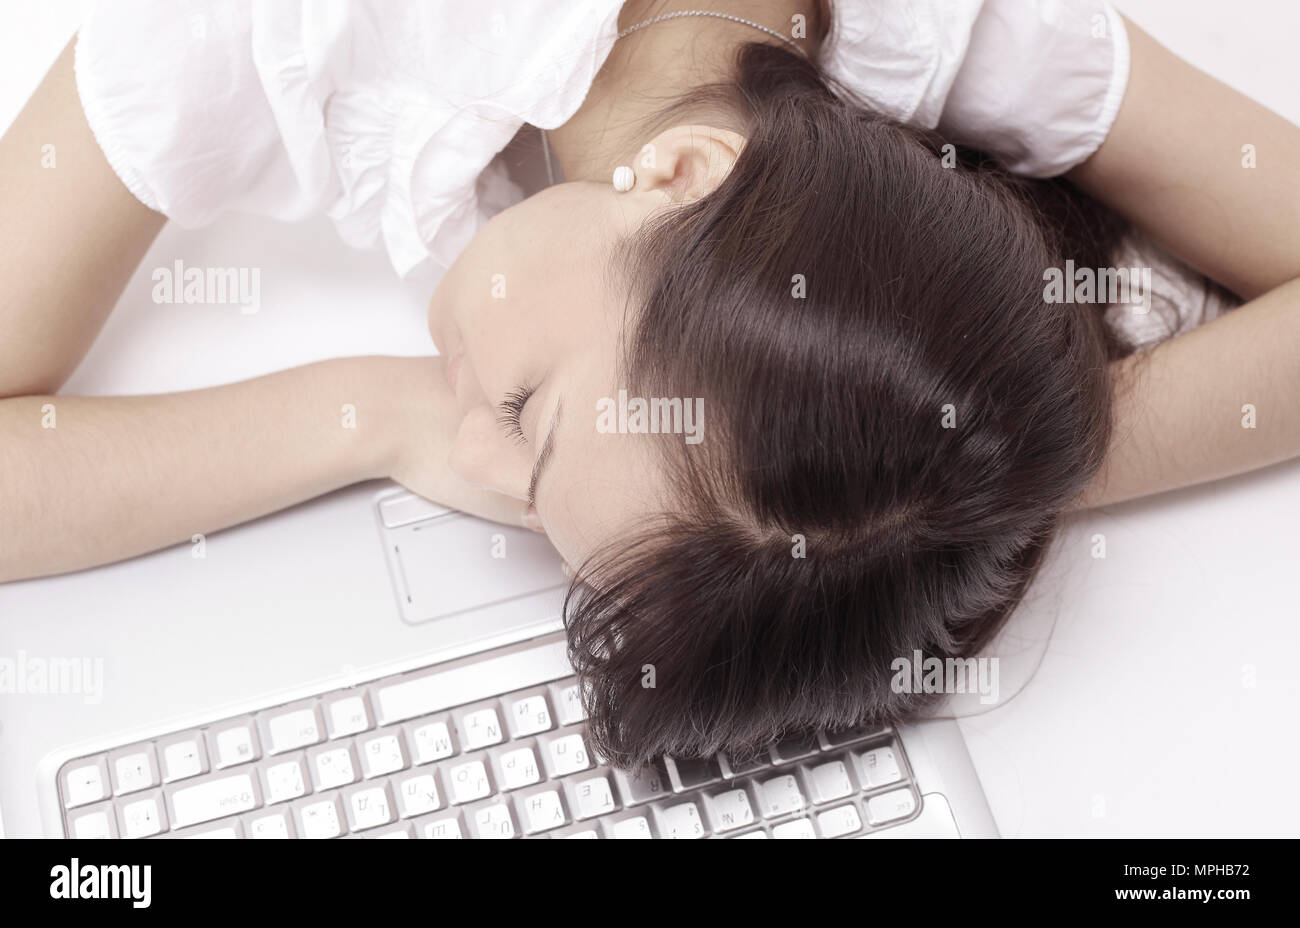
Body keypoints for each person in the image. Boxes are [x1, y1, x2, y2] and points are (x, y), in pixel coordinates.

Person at [3, 1, 1298, 766]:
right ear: (679, 174)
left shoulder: (955, 35)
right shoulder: (269, 24)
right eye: (526, 419)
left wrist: (979, 459)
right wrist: (374, 413)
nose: (483, 473)